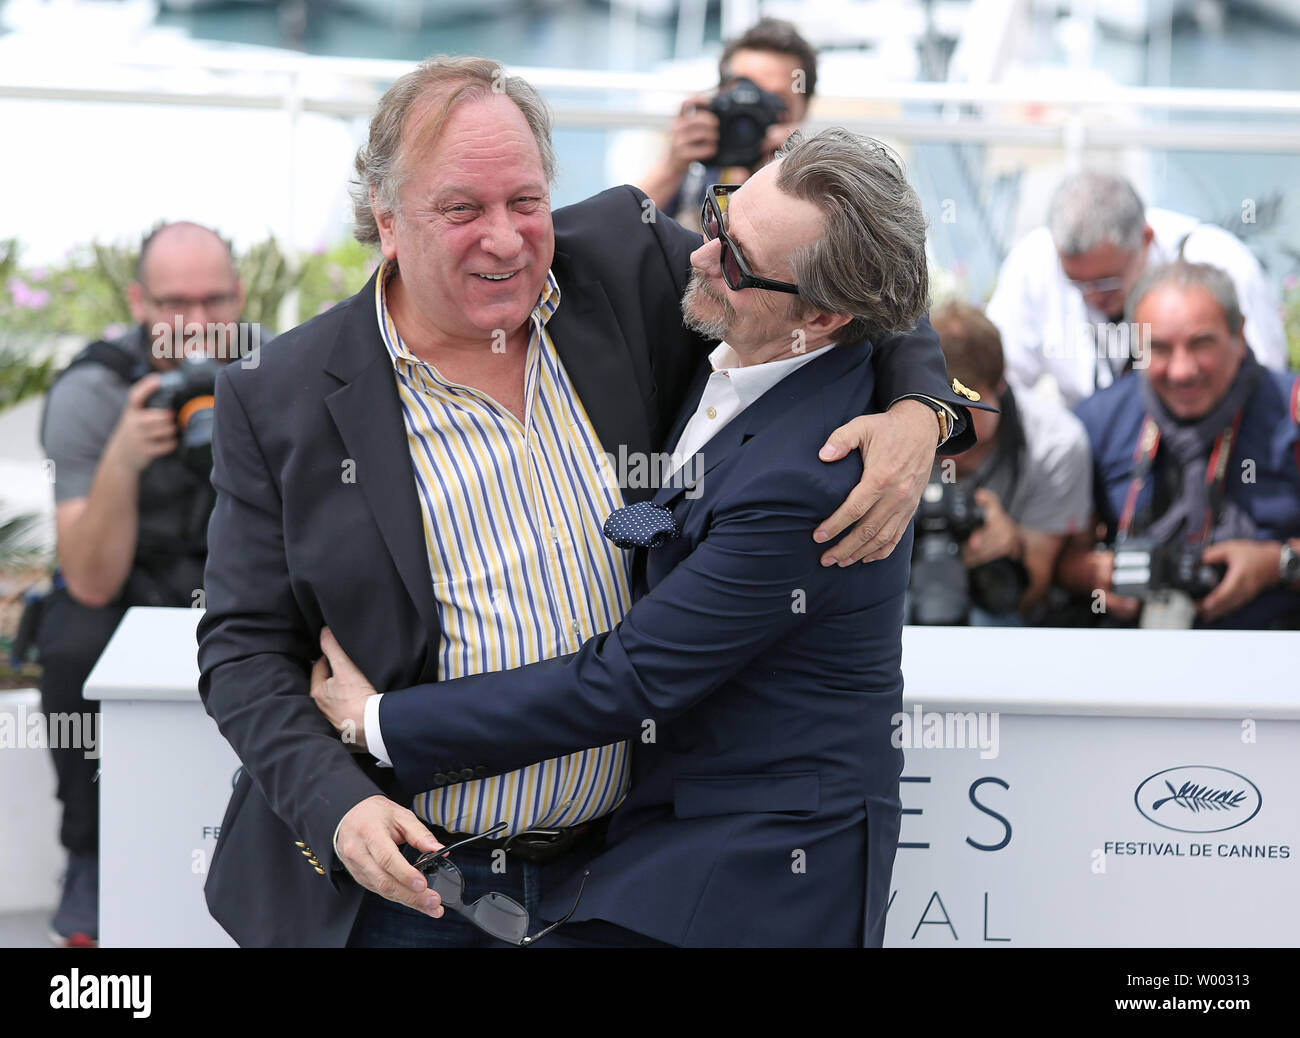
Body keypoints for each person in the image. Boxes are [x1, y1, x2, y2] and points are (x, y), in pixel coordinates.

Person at [195, 55, 979, 949]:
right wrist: (335, 805)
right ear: (386, 217)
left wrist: (924, 411)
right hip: (407, 891)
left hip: (615, 876)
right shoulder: (280, 392)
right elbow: (242, 647)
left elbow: (855, 270)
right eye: (461, 209)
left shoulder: (623, 258)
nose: (505, 239)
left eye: (525, 201)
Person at [37, 221, 251, 946]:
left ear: (241, 297)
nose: (195, 325)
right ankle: (89, 856)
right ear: (138, 303)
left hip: (236, 585)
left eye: (214, 302)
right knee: (72, 638)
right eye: (173, 304)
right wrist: (122, 461)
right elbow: (90, 581)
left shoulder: (277, 373)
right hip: (129, 588)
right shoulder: (93, 390)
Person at [1057, 261, 1300, 630]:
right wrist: (1095, 576)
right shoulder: (1098, 421)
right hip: (1130, 665)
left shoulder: (1292, 409)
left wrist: (1278, 564)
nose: (1182, 371)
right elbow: (1055, 560)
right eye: (1160, 349)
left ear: (1240, 334)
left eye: (1202, 344)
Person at [986, 170, 1288, 408]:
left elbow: (1261, 383)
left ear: (1146, 238)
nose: (1092, 296)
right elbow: (999, 379)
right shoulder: (1032, 263)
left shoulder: (1222, 263)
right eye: (1077, 283)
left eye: (1108, 283)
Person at [911, 301, 1092, 625]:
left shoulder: (1056, 444)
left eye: (964, 416)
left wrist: (1014, 546)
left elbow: (1033, 591)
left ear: (1000, 387)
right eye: (937, 416)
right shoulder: (886, 424)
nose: (950, 437)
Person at [637, 17, 816, 229]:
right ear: (720, 95)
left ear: (804, 107)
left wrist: (789, 178)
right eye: (743, 92)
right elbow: (619, 234)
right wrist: (670, 167)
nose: (752, 115)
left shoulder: (816, 191)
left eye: (774, 103)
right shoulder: (695, 170)